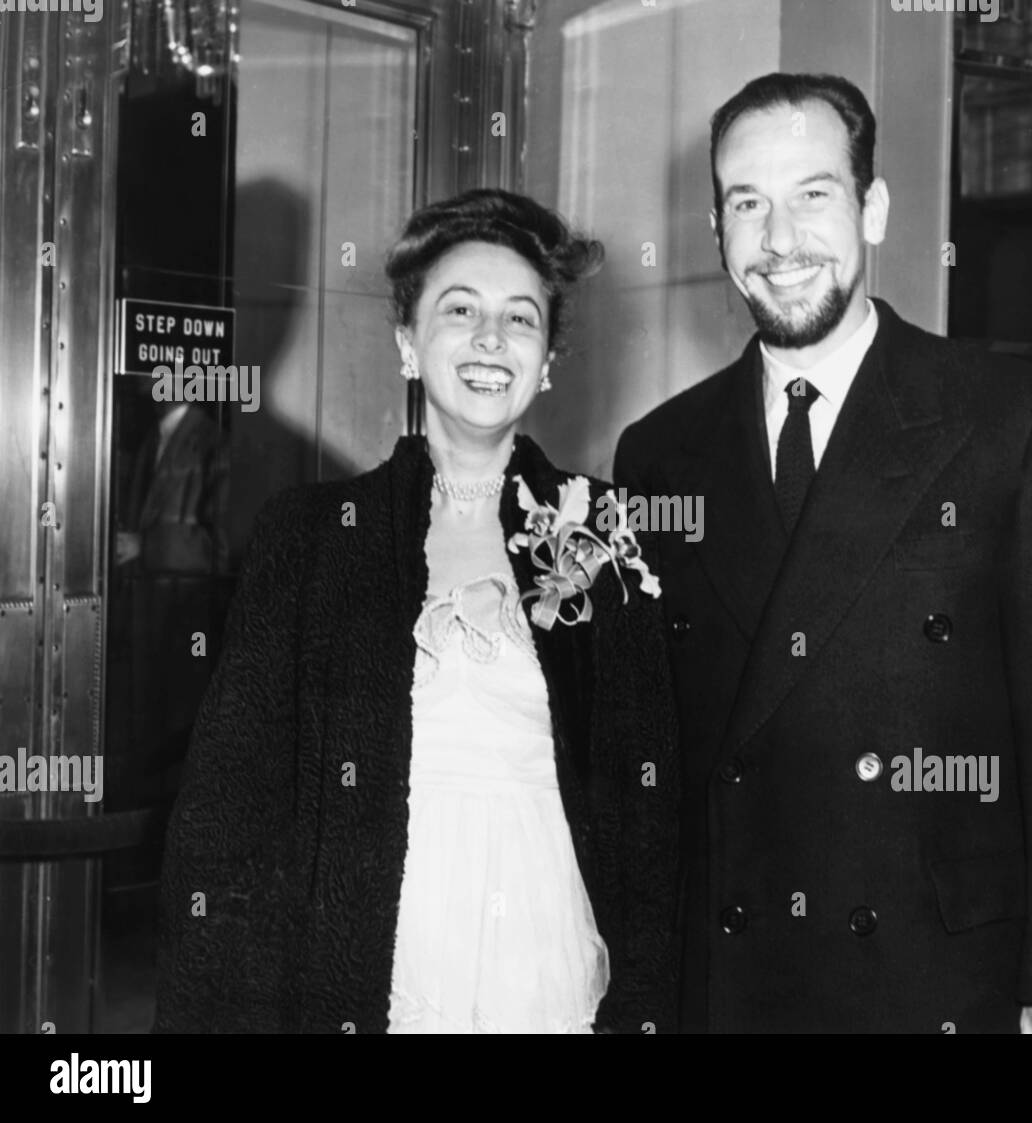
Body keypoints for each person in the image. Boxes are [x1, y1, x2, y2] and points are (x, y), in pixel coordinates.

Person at [615, 73, 1032, 1033]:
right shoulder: (656, 453)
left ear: (874, 208)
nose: (779, 241)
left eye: (813, 195)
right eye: (748, 204)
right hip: (732, 984)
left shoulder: (1009, 415)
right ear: (716, 228)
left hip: (940, 978)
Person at [154, 189, 679, 1034]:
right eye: (459, 309)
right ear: (407, 341)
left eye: (521, 319)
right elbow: (227, 809)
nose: (489, 340)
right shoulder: (312, 537)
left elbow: (647, 812)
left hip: (543, 950)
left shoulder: (608, 535)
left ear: (548, 359)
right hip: (372, 951)